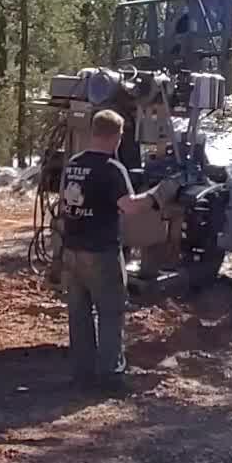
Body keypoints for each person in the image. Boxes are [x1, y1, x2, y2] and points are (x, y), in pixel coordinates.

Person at [57, 109, 164, 390]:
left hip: (72, 250)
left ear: (93, 131)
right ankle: (110, 376)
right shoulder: (112, 169)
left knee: (79, 314)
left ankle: (82, 373)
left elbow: (64, 205)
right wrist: (157, 195)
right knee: (110, 312)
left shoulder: (73, 164)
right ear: (117, 137)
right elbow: (129, 207)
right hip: (101, 252)